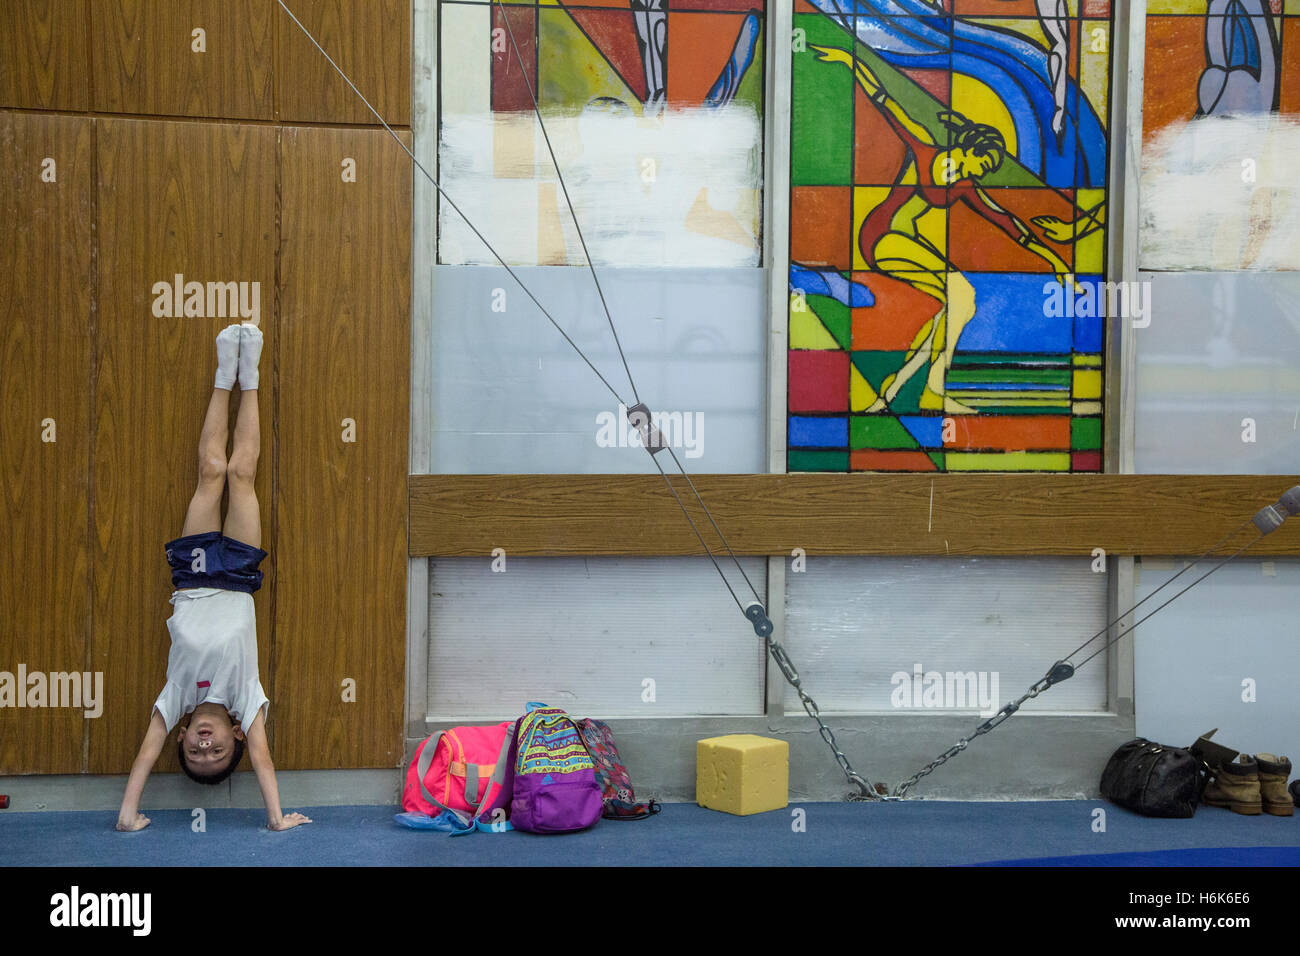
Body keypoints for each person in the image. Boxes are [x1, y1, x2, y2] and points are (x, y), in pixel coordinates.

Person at [811, 45, 1088, 414]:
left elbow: (1008, 224)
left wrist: (1055, 262)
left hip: (906, 242)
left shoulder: (964, 187)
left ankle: (895, 392)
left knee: (952, 307)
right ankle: (932, 392)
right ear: (967, 148)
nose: (978, 172)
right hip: (881, 236)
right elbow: (885, 100)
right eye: (979, 162)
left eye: (984, 169)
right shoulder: (925, 148)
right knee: (961, 292)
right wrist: (851, 60)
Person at [116, 320, 310, 832]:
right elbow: (265, 762)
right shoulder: (249, 700)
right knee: (242, 474)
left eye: (197, 750)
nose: (206, 745)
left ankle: (224, 375)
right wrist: (275, 818)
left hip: (195, 579)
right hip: (239, 578)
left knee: (211, 472)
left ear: (179, 736)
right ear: (237, 736)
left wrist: (127, 815)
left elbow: (142, 757)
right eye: (218, 750)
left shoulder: (173, 698)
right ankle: (250, 378)